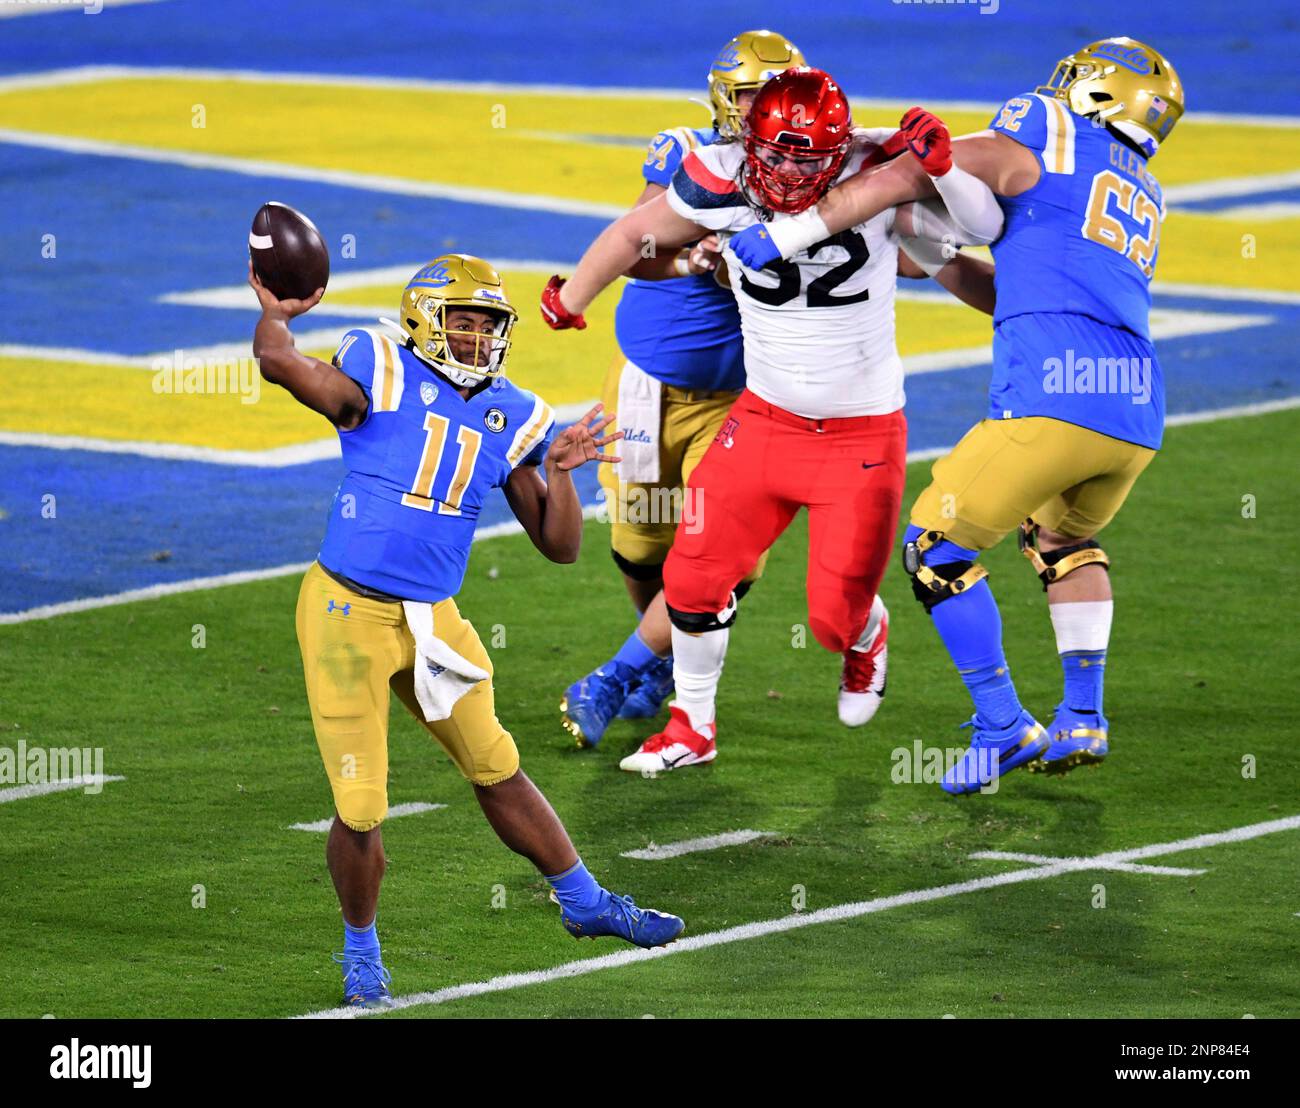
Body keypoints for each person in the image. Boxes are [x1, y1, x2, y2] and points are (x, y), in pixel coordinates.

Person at [728, 38, 1184, 793]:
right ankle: (1083, 716)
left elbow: (910, 169)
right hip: (1134, 410)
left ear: (1098, 90)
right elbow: (1018, 293)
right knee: (1063, 539)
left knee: (933, 549)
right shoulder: (1138, 187)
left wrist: (785, 233)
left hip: (1053, 401)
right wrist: (938, 259)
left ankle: (1004, 724)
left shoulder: (1045, 123)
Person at [249, 253, 684, 1008]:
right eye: (464, 320)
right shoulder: (378, 367)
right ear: (425, 319)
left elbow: (560, 544)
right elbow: (282, 366)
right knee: (359, 805)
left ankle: (583, 901)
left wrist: (562, 474)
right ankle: (361, 952)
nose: (479, 336)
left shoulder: (511, 410)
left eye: (489, 323)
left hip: (433, 621)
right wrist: (278, 317)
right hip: (345, 613)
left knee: (497, 765)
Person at [541, 68, 1003, 773]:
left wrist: (937, 167)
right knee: (693, 573)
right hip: (762, 418)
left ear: (837, 151)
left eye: (806, 158)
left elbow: (975, 228)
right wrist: (569, 298)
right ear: (747, 139)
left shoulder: (876, 174)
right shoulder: (720, 172)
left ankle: (865, 632)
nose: (787, 171)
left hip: (861, 436)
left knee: (831, 617)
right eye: (776, 154)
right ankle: (692, 726)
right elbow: (636, 232)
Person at [559, 29, 805, 749]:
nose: (775, 111)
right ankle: (662, 661)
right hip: (646, 382)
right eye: (759, 96)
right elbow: (639, 242)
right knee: (641, 548)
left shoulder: (822, 178)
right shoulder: (690, 157)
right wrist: (692, 260)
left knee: (725, 554)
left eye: (785, 95)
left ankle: (615, 674)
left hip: (743, 397)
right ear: (729, 101)